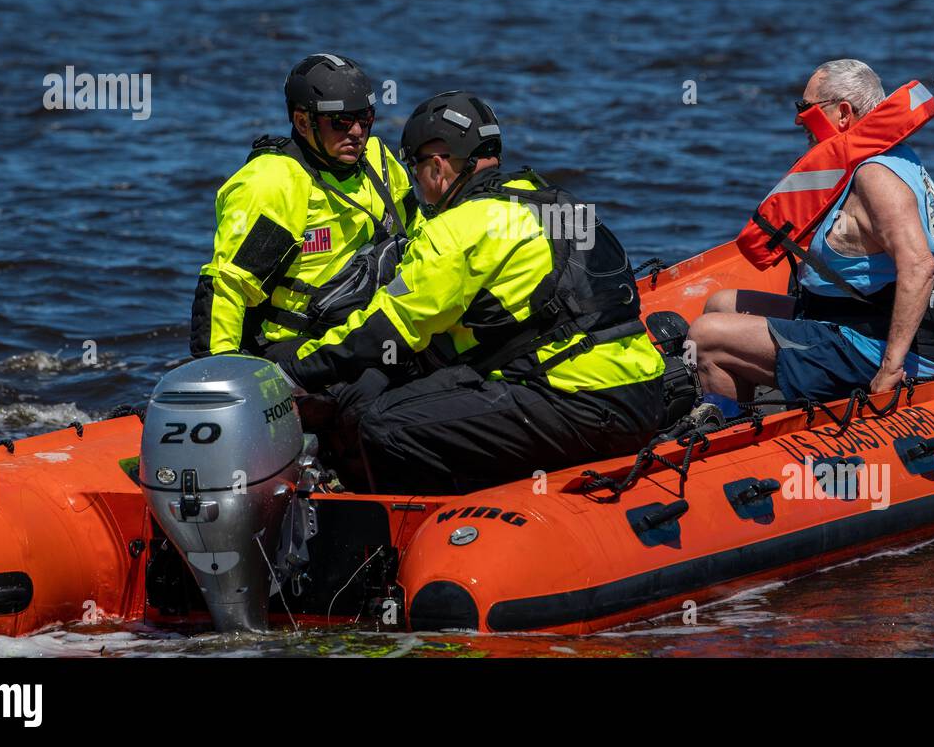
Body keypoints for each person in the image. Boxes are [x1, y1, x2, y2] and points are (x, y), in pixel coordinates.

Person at [265, 91, 666, 494]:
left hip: (584, 403)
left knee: (384, 424)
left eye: (415, 167)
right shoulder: (552, 201)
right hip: (644, 390)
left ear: (437, 167)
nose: (418, 183)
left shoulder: (460, 228)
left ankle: (422, 535)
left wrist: (292, 372)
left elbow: (384, 329)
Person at [689, 59, 934, 405]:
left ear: (844, 113)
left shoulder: (874, 177)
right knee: (721, 303)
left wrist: (891, 365)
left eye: (807, 108)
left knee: (705, 336)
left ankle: (727, 432)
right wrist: (932, 322)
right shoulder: (899, 159)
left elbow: (921, 266)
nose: (799, 120)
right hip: (839, 320)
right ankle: (740, 404)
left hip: (863, 346)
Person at [189, 54, 420, 359]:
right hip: (298, 346)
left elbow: (420, 237)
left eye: (365, 119)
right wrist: (218, 373)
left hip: (371, 327)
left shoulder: (379, 162)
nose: (356, 132)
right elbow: (230, 285)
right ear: (301, 121)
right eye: (340, 121)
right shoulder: (275, 183)